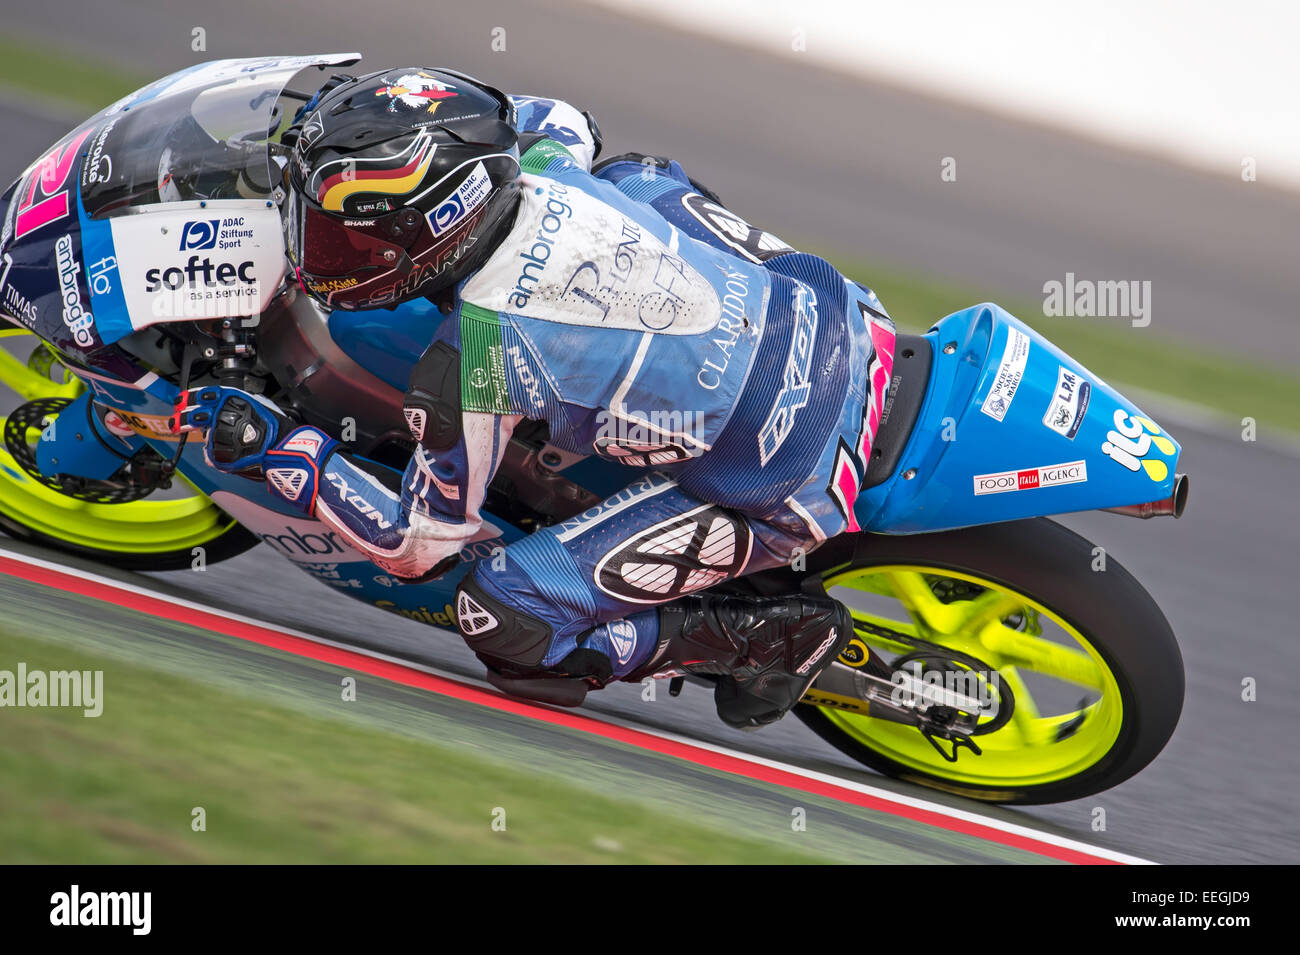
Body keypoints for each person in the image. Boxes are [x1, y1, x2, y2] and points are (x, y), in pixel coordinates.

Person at [174, 67, 896, 729]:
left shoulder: (481, 350)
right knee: (635, 178)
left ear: (429, 235)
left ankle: (766, 636)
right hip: (843, 318)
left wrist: (282, 450)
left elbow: (416, 546)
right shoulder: (538, 160)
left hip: (790, 475)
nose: (323, 249)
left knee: (504, 619)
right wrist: (413, 131)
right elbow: (564, 117)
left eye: (347, 239)